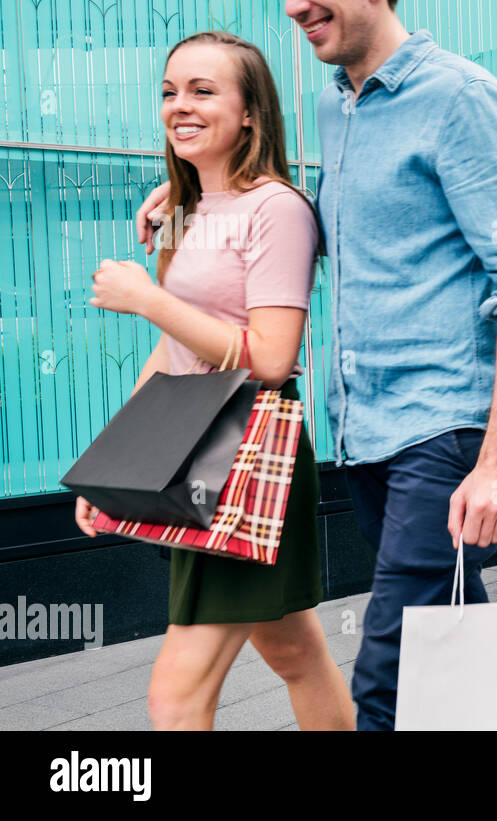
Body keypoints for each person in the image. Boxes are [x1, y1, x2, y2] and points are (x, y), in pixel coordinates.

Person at [137, 0, 497, 730]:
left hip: (441, 432)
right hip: (362, 436)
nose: (297, 6)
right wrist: (204, 206)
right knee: (447, 652)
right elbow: (340, 236)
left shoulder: (460, 99)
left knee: (386, 678)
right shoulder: (337, 109)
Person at [74, 31, 353, 730]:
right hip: (205, 455)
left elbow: (269, 356)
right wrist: (115, 462)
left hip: (249, 458)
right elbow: (174, 352)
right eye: (170, 91)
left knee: (175, 697)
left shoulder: (279, 211)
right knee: (295, 653)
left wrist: (148, 298)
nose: (180, 105)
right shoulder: (188, 209)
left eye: (203, 91)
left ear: (251, 110)